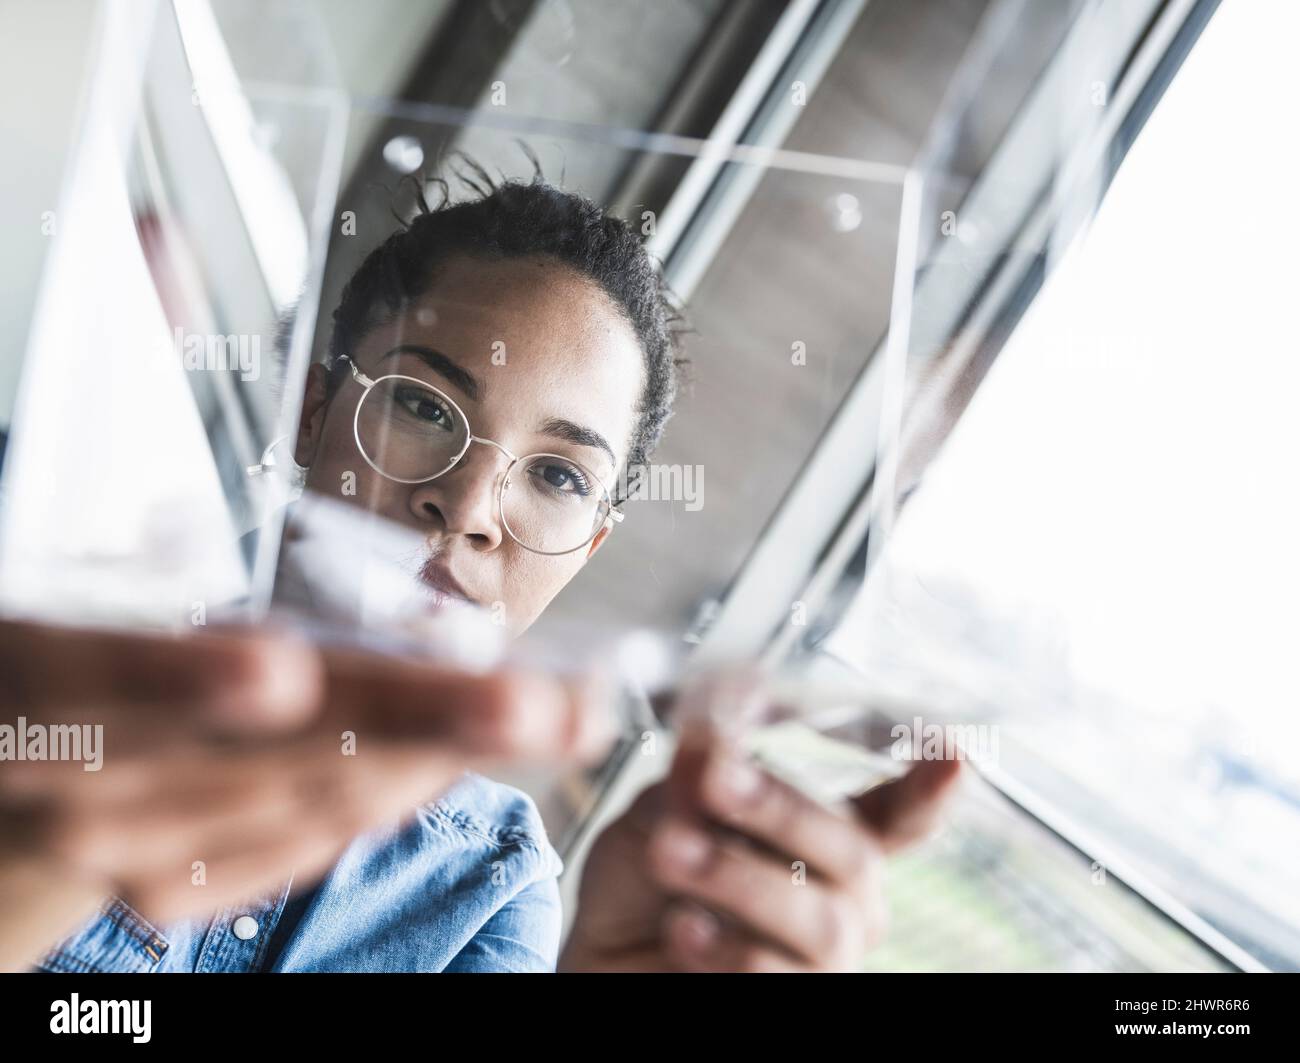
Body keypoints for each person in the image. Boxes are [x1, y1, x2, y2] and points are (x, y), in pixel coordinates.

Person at [0, 159, 961, 973]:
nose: (464, 510)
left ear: (585, 552)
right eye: (423, 407)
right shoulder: (46, 635)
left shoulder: (490, 886)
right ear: (311, 414)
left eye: (553, 473)